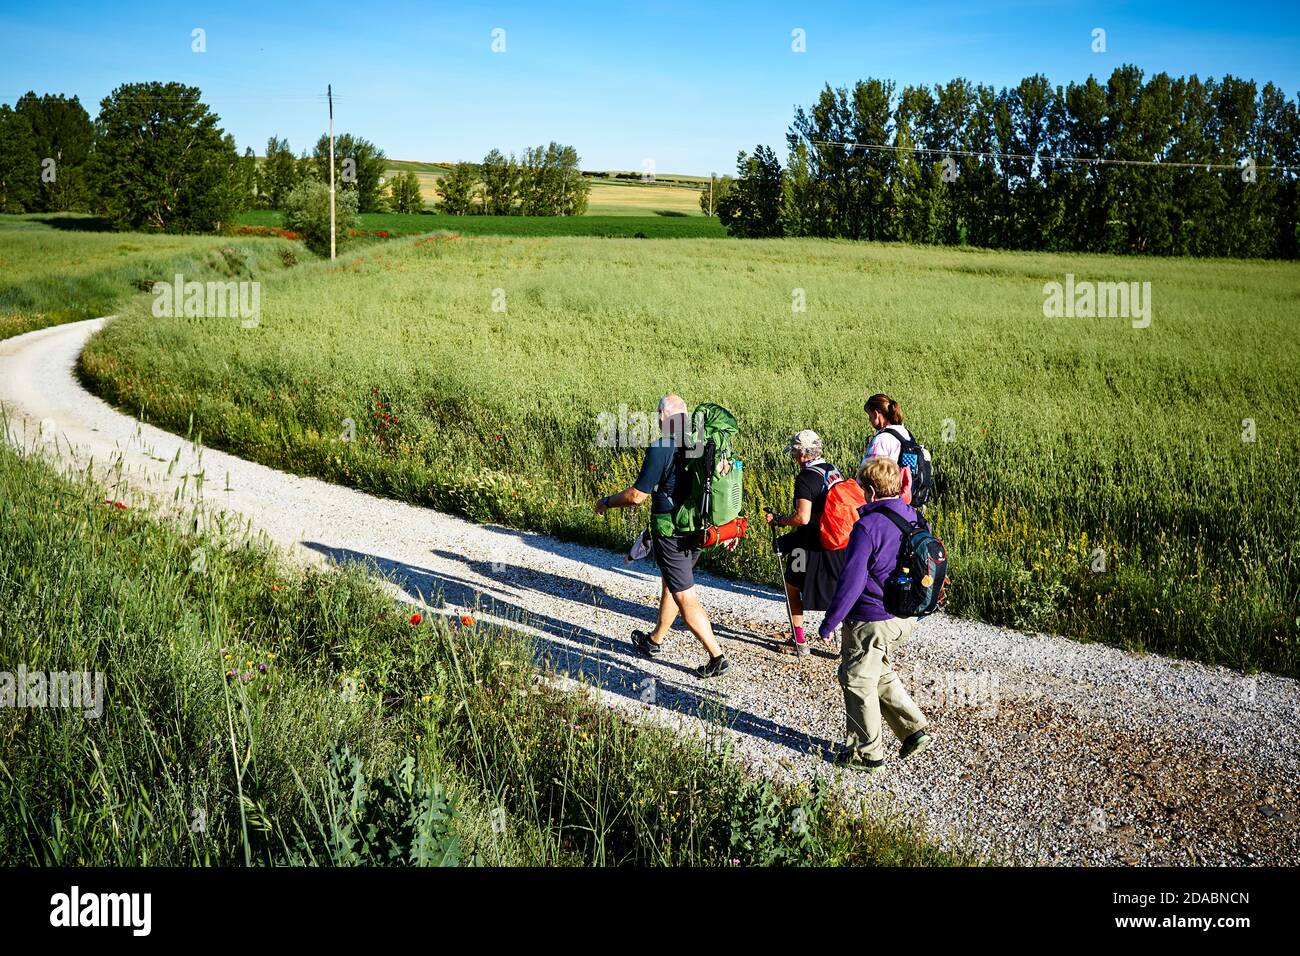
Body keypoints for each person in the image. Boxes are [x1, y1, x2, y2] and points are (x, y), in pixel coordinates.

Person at [595, 394, 731, 679]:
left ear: (661, 417)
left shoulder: (662, 446)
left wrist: (606, 502)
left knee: (685, 595)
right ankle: (654, 640)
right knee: (671, 583)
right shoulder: (700, 442)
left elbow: (636, 497)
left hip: (671, 532)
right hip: (695, 528)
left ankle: (716, 656)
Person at [818, 457, 932, 773]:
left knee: (855, 679)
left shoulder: (867, 527)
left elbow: (851, 581)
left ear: (869, 490)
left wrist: (830, 622)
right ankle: (913, 729)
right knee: (877, 671)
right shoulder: (914, 517)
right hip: (905, 618)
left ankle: (867, 755)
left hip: (871, 619)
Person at [764, 430, 848, 657]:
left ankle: (799, 640)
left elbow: (803, 517)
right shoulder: (832, 470)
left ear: (802, 454)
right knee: (839, 589)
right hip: (838, 540)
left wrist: (780, 520)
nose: (793, 457)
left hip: (809, 543)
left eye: (794, 453)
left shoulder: (805, 478)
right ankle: (843, 641)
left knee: (792, 585)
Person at [861, 392, 914, 503]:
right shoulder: (905, 433)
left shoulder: (882, 440)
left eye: (869, 415)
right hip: (904, 498)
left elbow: (871, 474)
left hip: (883, 500)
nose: (869, 420)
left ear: (876, 414)